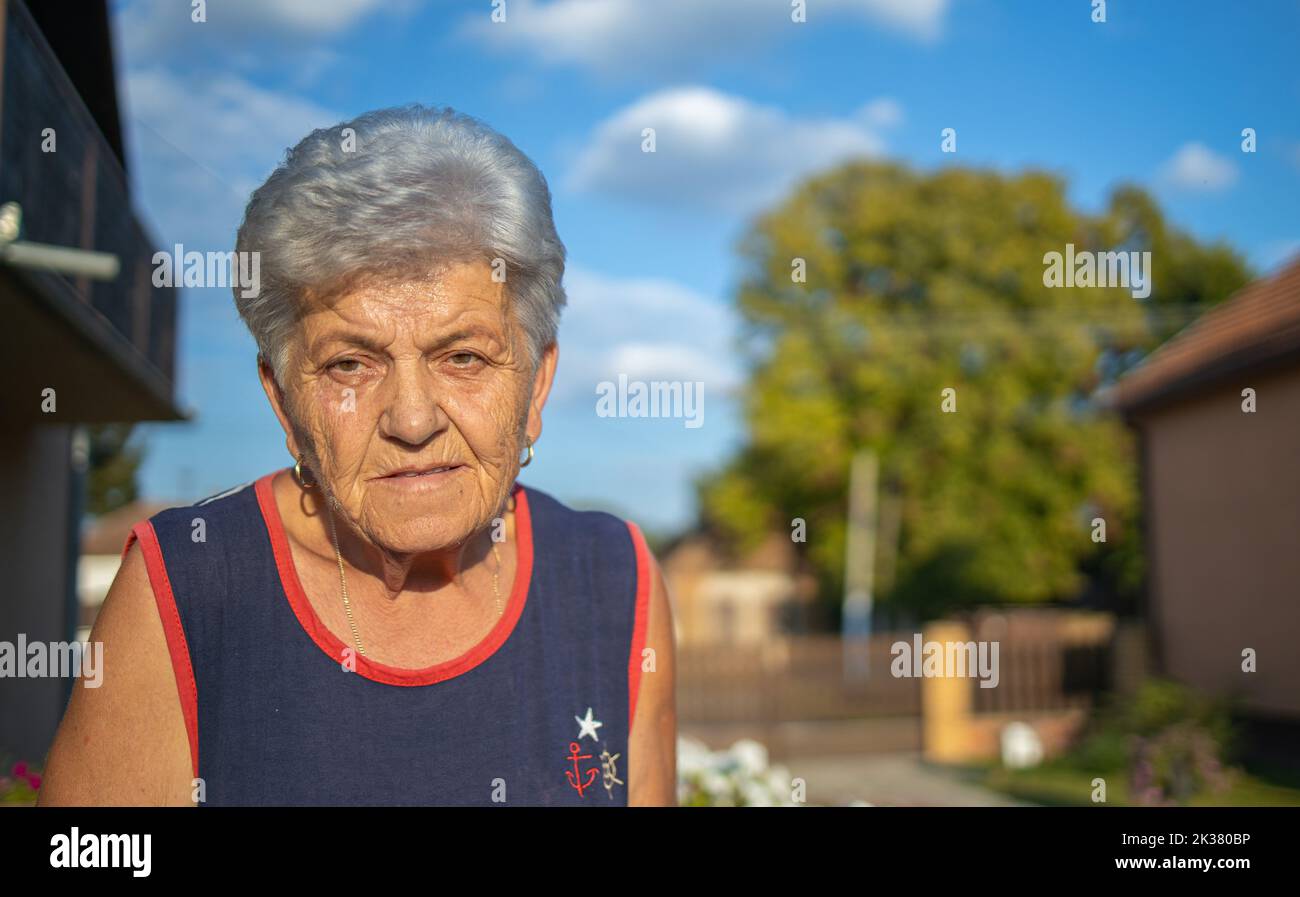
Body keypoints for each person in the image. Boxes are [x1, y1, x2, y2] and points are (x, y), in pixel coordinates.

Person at [39, 104, 677, 806]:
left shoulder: (613, 580)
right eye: (350, 364)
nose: (411, 418)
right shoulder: (186, 590)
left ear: (536, 384)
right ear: (284, 402)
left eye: (462, 356)